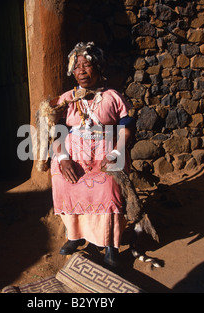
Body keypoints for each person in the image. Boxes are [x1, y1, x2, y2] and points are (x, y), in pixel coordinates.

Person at [50, 42, 135, 267]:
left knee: (108, 185)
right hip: (74, 158)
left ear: (98, 68)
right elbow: (57, 131)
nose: (81, 71)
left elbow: (126, 129)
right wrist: (63, 159)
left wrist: (116, 152)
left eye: (86, 65)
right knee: (63, 181)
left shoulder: (113, 97)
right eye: (76, 67)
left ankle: (111, 244)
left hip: (105, 157)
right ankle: (75, 236)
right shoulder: (67, 99)